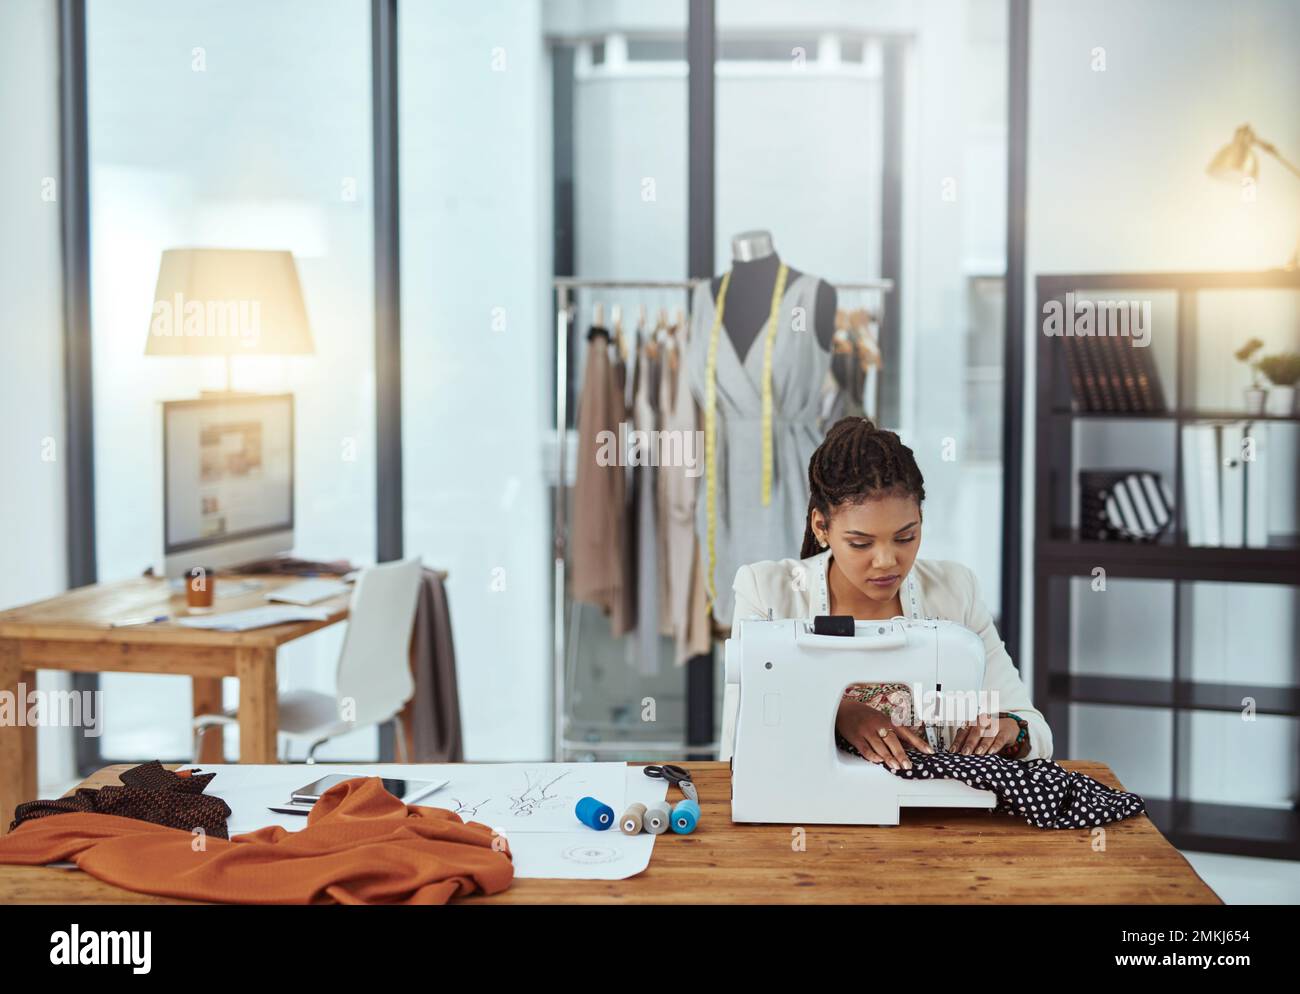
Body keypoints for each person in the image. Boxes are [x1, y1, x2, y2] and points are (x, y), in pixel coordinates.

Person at [721, 416, 1052, 769]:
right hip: (806, 817)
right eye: (860, 543)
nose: (886, 561)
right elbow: (740, 740)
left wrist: (1011, 729)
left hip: (933, 819)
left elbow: (1034, 728)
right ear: (822, 526)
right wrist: (838, 714)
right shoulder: (767, 592)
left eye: (905, 537)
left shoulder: (956, 591)